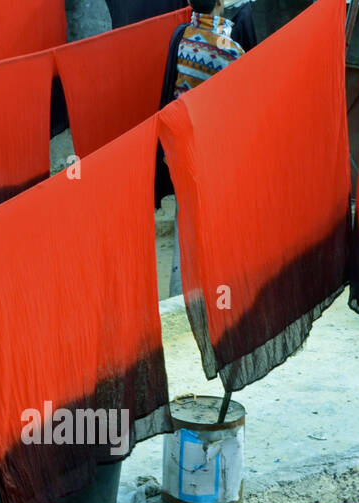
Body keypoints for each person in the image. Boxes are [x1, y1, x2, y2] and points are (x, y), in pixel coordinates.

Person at [164, 1, 248, 295]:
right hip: (214, 157)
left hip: (180, 151)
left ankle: (179, 296)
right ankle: (212, 298)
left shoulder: (180, 36)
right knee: (214, 232)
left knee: (184, 227)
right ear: (220, 3)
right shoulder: (233, 53)